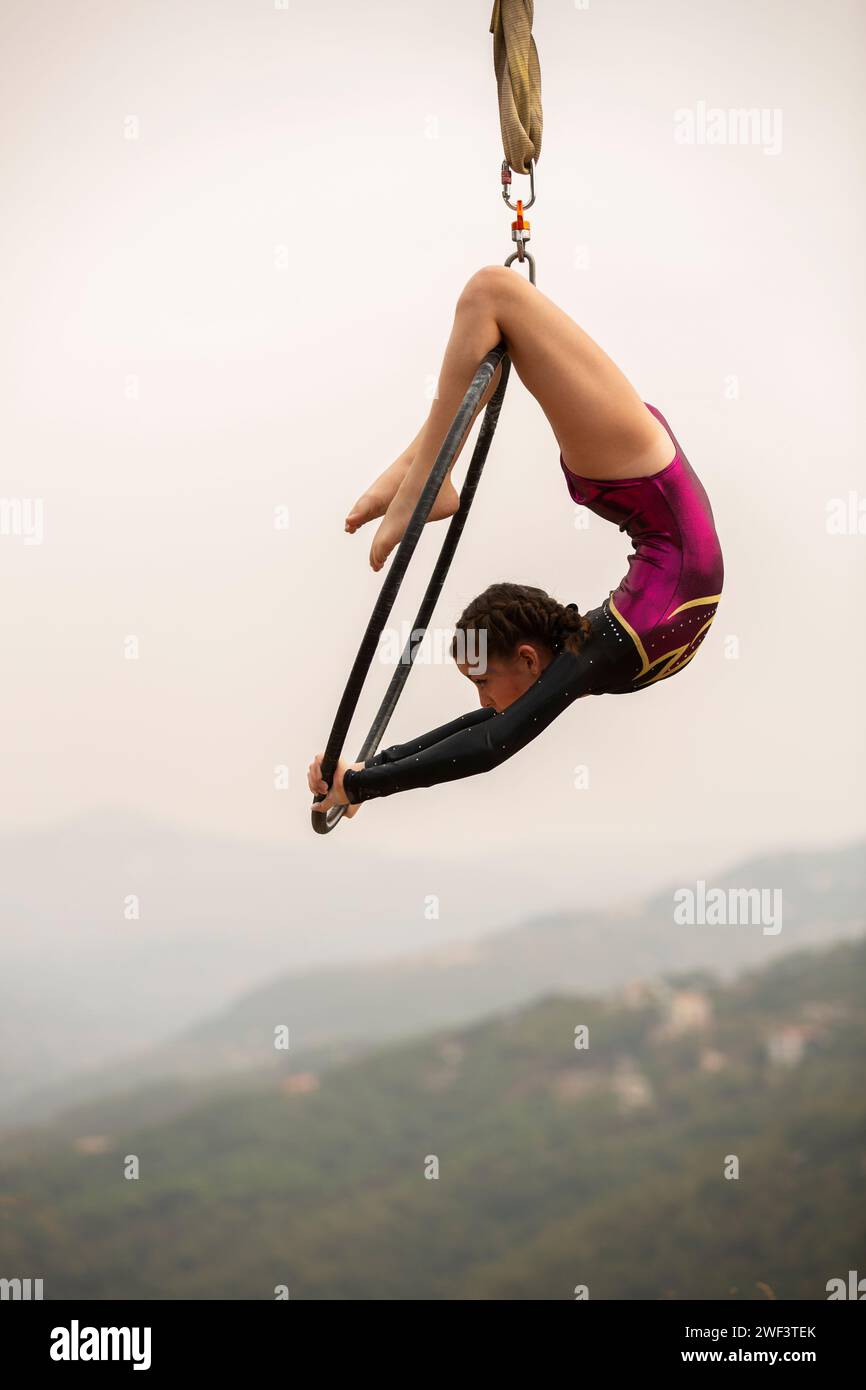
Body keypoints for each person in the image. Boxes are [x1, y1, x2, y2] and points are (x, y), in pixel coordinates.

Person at [308, 266, 723, 814]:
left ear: (528, 659)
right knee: (493, 302)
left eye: (481, 681)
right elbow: (488, 734)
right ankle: (426, 471)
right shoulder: (588, 655)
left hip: (640, 476)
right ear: (531, 658)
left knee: (492, 301)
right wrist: (365, 778)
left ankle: (426, 473)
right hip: (639, 475)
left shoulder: (588, 656)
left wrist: (366, 779)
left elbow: (486, 742)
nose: (483, 701)